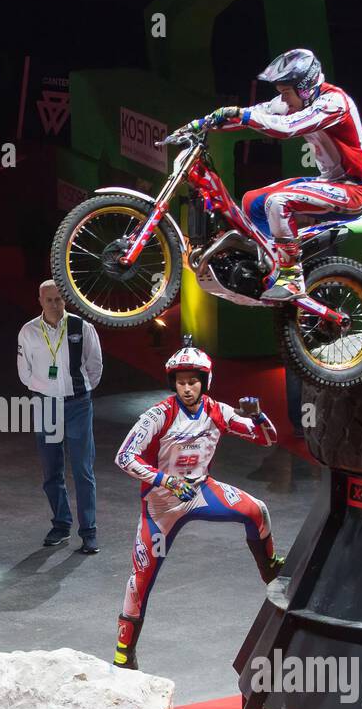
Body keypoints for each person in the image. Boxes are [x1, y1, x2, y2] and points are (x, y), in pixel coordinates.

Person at [111, 341, 283, 671]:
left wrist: (259, 416)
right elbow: (123, 456)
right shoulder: (158, 415)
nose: (187, 388)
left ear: (204, 382)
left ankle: (271, 568)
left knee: (256, 510)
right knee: (141, 578)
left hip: (202, 491)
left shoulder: (217, 410)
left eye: (193, 381)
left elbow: (267, 439)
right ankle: (124, 651)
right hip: (161, 505)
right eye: (181, 382)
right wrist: (166, 480)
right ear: (172, 383)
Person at [178, 48, 362, 301]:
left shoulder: (334, 103)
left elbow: (286, 128)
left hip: (353, 189)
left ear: (304, 87)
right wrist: (200, 124)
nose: (283, 99)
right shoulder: (298, 100)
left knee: (277, 202)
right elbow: (259, 113)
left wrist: (243, 115)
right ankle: (268, 263)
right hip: (328, 182)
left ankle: (292, 277)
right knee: (253, 201)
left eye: (286, 92)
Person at [17, 279, 103, 553]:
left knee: (82, 471)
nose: (55, 304)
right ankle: (61, 525)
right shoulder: (28, 332)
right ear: (40, 301)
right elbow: (24, 371)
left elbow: (94, 365)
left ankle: (89, 531)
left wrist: (79, 391)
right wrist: (46, 389)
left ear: (65, 299)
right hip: (46, 405)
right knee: (51, 470)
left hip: (78, 405)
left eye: (59, 299)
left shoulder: (81, 327)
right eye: (49, 300)